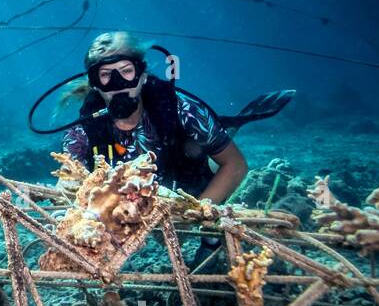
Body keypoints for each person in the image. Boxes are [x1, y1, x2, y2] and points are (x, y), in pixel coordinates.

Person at [64, 31, 249, 204]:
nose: (117, 83)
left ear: (142, 75)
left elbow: (235, 164)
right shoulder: (82, 131)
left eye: (126, 70)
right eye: (105, 74)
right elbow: (68, 185)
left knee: (209, 150)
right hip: (126, 217)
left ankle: (228, 128)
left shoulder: (182, 109)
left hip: (189, 203)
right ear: (94, 83)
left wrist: (198, 213)